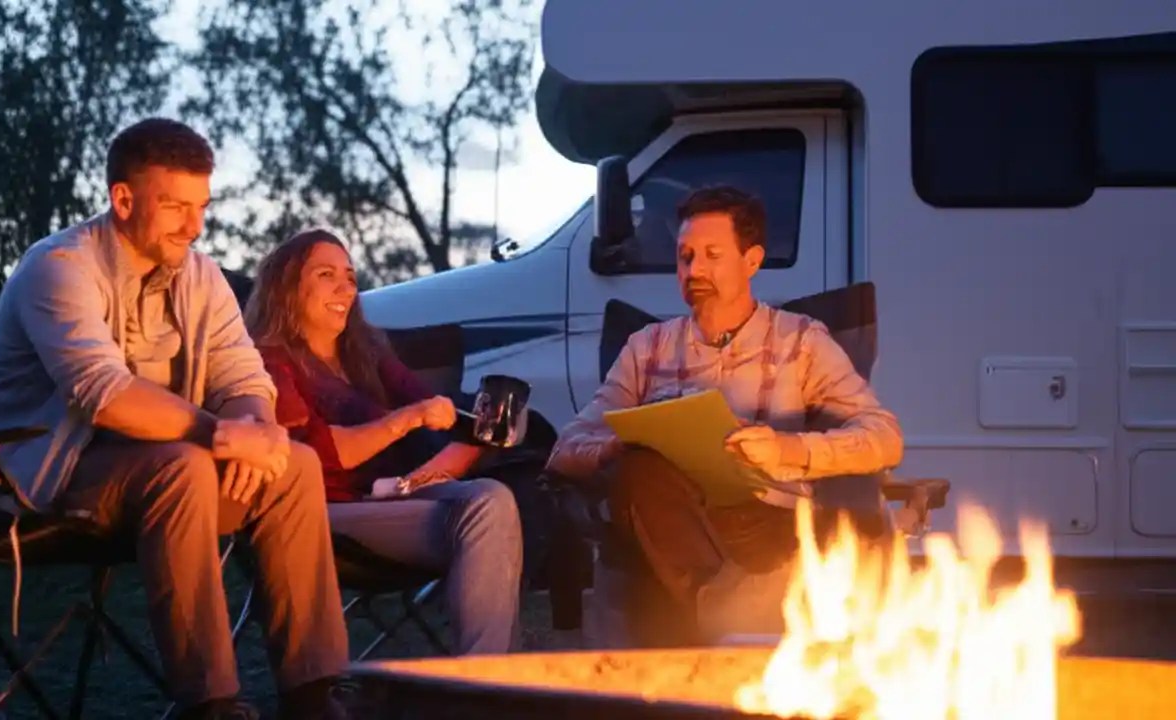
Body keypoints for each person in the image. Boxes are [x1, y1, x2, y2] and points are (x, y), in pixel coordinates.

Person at [0, 118, 348, 719]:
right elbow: (100, 392)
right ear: (123, 199)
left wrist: (256, 429)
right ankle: (210, 702)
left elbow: (242, 376)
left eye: (201, 206)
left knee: (294, 464)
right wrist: (220, 434)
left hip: (152, 471)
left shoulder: (201, 274)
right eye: (176, 206)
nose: (194, 225)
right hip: (33, 471)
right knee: (182, 465)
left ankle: (314, 693)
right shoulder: (58, 267)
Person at [545, 185, 904, 642]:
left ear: (751, 261)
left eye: (713, 255)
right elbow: (564, 450)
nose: (694, 269)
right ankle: (722, 615)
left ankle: (706, 617)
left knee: (668, 534)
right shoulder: (646, 348)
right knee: (639, 469)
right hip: (668, 518)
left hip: (765, 522)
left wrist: (787, 448)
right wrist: (616, 445)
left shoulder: (800, 343)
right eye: (685, 255)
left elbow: (884, 437)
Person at [244, 229, 523, 656]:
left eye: (351, 277)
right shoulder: (269, 362)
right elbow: (316, 457)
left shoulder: (367, 356)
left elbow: (445, 416)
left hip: (387, 503)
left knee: (493, 497)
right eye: (326, 274)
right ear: (288, 286)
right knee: (484, 509)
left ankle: (489, 681)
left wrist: (487, 434)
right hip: (322, 515)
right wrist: (407, 420)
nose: (345, 288)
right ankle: (484, 683)